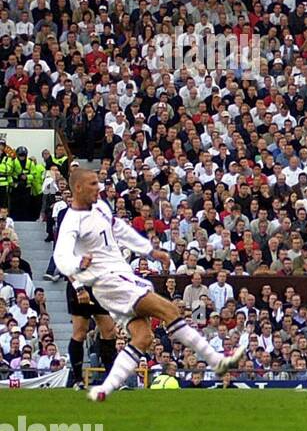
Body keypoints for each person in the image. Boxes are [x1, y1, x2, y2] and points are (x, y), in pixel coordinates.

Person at [53, 168, 242, 402]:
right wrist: (77, 263)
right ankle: (216, 361)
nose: (98, 188)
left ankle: (104, 389)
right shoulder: (71, 221)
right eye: (92, 184)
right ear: (78, 188)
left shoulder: (100, 206)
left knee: (143, 337)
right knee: (171, 311)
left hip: (121, 277)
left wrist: (150, 251)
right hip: (109, 282)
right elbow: (61, 257)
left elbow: (119, 229)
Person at [54, 201, 118, 389]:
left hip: (98, 286)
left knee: (109, 331)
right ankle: (77, 379)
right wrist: (79, 287)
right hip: (80, 286)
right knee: (80, 332)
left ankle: (110, 379)